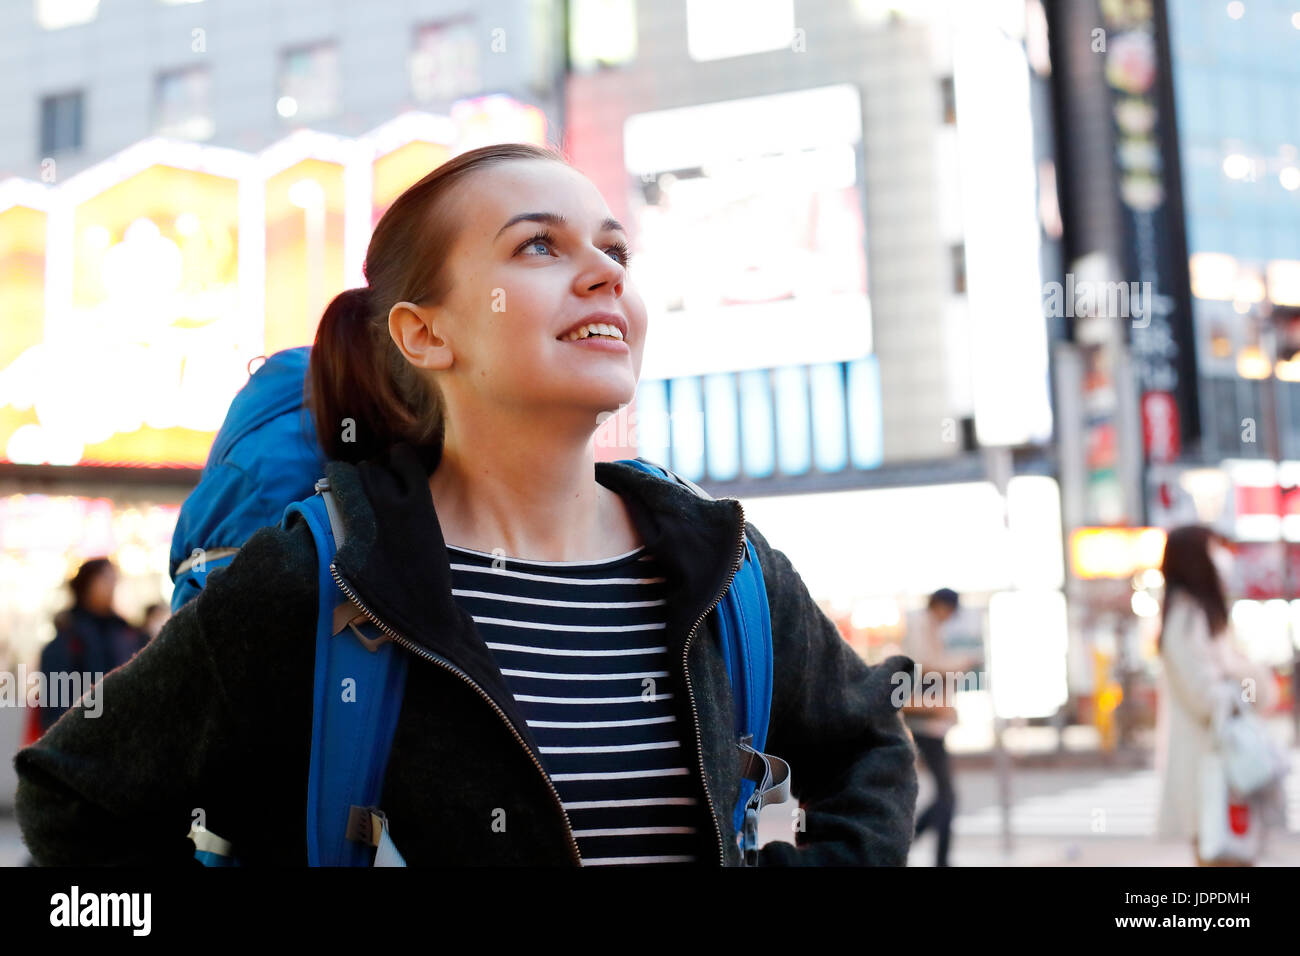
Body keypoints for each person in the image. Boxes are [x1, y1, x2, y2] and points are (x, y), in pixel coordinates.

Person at [14, 142, 919, 866]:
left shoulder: (727, 568)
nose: (604, 271)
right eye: (539, 245)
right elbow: (74, 796)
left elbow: (868, 744)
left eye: (615, 249)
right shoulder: (322, 579)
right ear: (424, 332)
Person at [1153, 525, 1280, 866]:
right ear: (1197, 560)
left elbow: (1247, 690)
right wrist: (1243, 677)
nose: (1221, 559)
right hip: (1208, 768)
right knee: (1222, 856)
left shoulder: (1204, 618)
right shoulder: (1186, 621)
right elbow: (1206, 696)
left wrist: (1244, 678)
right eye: (1213, 549)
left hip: (1223, 766)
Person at [901, 588, 979, 867]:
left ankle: (914, 848)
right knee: (947, 796)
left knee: (947, 795)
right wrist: (962, 663)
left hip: (930, 722)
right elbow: (926, 666)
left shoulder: (927, 625)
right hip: (924, 721)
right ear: (942, 606)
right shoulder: (921, 625)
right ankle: (923, 852)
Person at [36, 558, 148, 734]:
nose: (111, 585)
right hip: (81, 739)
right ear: (87, 584)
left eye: (113, 579)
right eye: (104, 578)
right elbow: (56, 706)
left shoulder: (126, 632)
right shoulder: (68, 637)